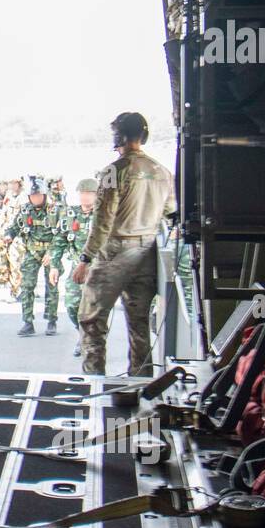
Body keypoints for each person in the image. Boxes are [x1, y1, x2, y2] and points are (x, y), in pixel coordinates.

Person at [74, 111, 176, 376]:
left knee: (92, 320)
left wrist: (85, 259)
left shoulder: (112, 172)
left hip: (116, 251)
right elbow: (171, 212)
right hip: (147, 252)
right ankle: (141, 384)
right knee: (139, 322)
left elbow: (102, 221)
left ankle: (93, 381)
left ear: (119, 136)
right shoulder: (162, 172)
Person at [4, 176, 62, 336]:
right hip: (32, 252)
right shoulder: (25, 210)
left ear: (44, 196)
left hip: (51, 252)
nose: (36, 199)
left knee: (52, 287)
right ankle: (27, 322)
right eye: (33, 196)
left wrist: (53, 253)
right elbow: (14, 227)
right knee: (27, 286)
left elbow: (62, 234)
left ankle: (51, 321)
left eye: (38, 196)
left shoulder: (55, 210)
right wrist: (9, 235)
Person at [50, 177, 98, 356]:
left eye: (89, 194)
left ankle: (92, 341)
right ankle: (83, 334)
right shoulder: (71, 215)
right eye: (82, 193)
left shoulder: (104, 216)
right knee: (72, 305)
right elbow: (59, 240)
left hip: (99, 268)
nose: (85, 197)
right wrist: (54, 265)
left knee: (95, 307)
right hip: (78, 268)